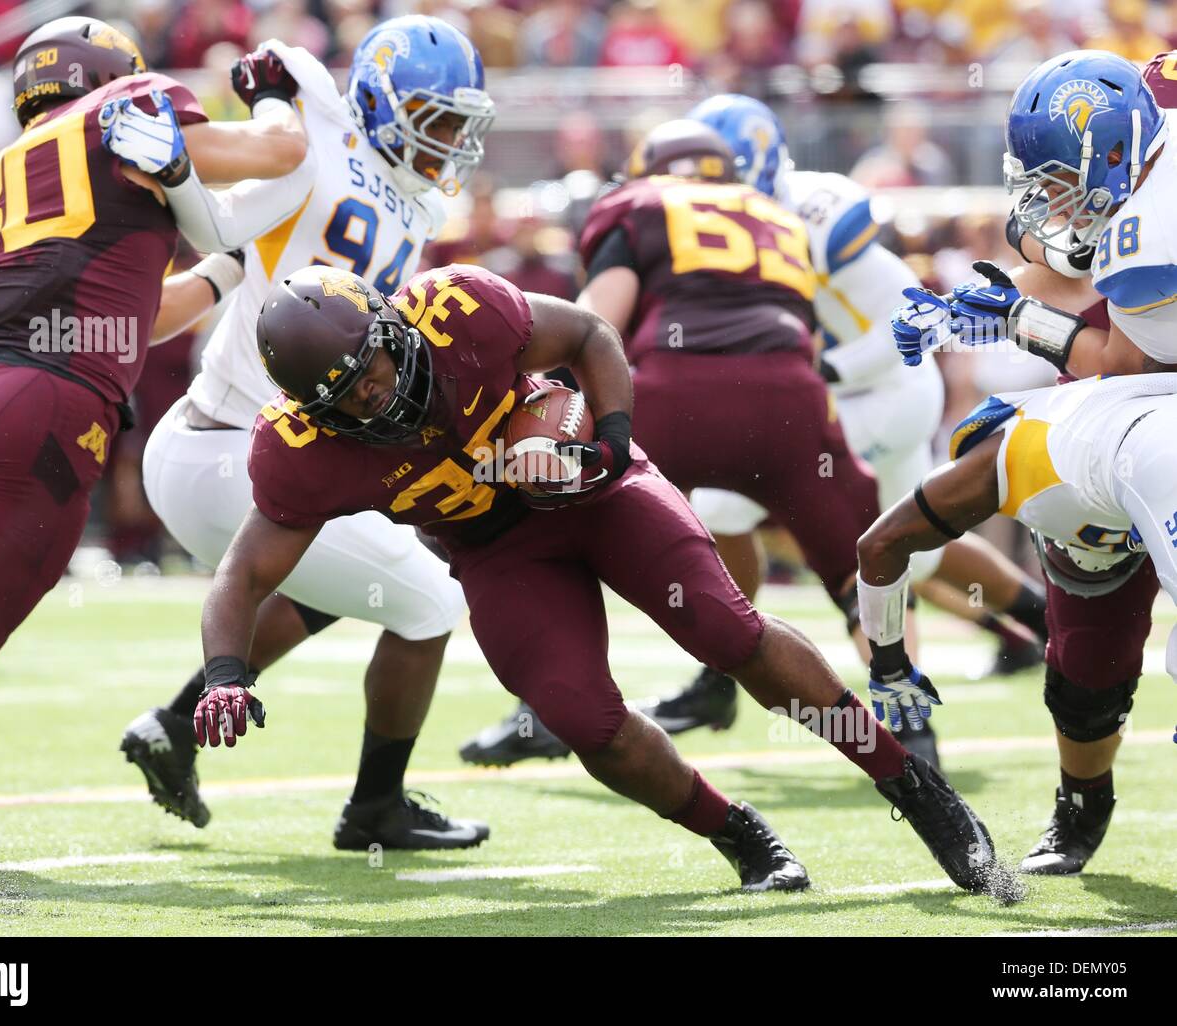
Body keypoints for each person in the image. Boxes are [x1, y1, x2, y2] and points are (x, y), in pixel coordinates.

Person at [189, 260, 1009, 896]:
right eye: (350, 400)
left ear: (391, 325)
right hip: (498, 551)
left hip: (595, 489)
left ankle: (910, 783)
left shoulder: (458, 311)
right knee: (583, 718)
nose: (377, 396)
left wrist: (610, 446)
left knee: (728, 632)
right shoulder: (300, 454)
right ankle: (739, 834)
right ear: (313, 414)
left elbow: (588, 335)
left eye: (372, 367)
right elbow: (244, 572)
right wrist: (225, 674)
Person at [119, 18, 497, 850]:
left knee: (344, 589)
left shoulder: (408, 194)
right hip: (232, 451)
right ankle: (375, 809)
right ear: (378, 101)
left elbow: (238, 260)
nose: (450, 141)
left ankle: (174, 727)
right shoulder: (318, 144)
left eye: (458, 123)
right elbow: (218, 224)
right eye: (436, 118)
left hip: (223, 441)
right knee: (430, 607)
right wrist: (268, 106)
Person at [0, 16, 308, 740]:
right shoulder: (128, 112)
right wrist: (274, 99)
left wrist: (229, 269)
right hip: (39, 404)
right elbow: (279, 151)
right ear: (112, 76)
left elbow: (133, 310)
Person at [644, 95, 1050, 756]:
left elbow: (910, 322)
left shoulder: (817, 216)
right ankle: (1039, 616)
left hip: (884, 390)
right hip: (846, 396)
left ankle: (734, 678)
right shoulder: (718, 223)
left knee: (741, 510)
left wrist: (817, 371)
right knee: (918, 547)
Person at [890, 49, 1177, 872]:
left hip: (1147, 390)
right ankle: (1082, 802)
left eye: (1057, 180)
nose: (1045, 200)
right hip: (1131, 409)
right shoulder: (1139, 107)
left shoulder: (1151, 224)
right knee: (1088, 651)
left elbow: (1131, 365)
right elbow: (1064, 248)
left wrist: (1020, 320)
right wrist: (981, 299)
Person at [856, 371, 1177, 873]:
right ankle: (1082, 810)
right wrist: (890, 666)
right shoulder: (1002, 463)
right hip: (1119, 461)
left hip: (1157, 459)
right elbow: (880, 545)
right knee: (1086, 676)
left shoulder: (1014, 464)